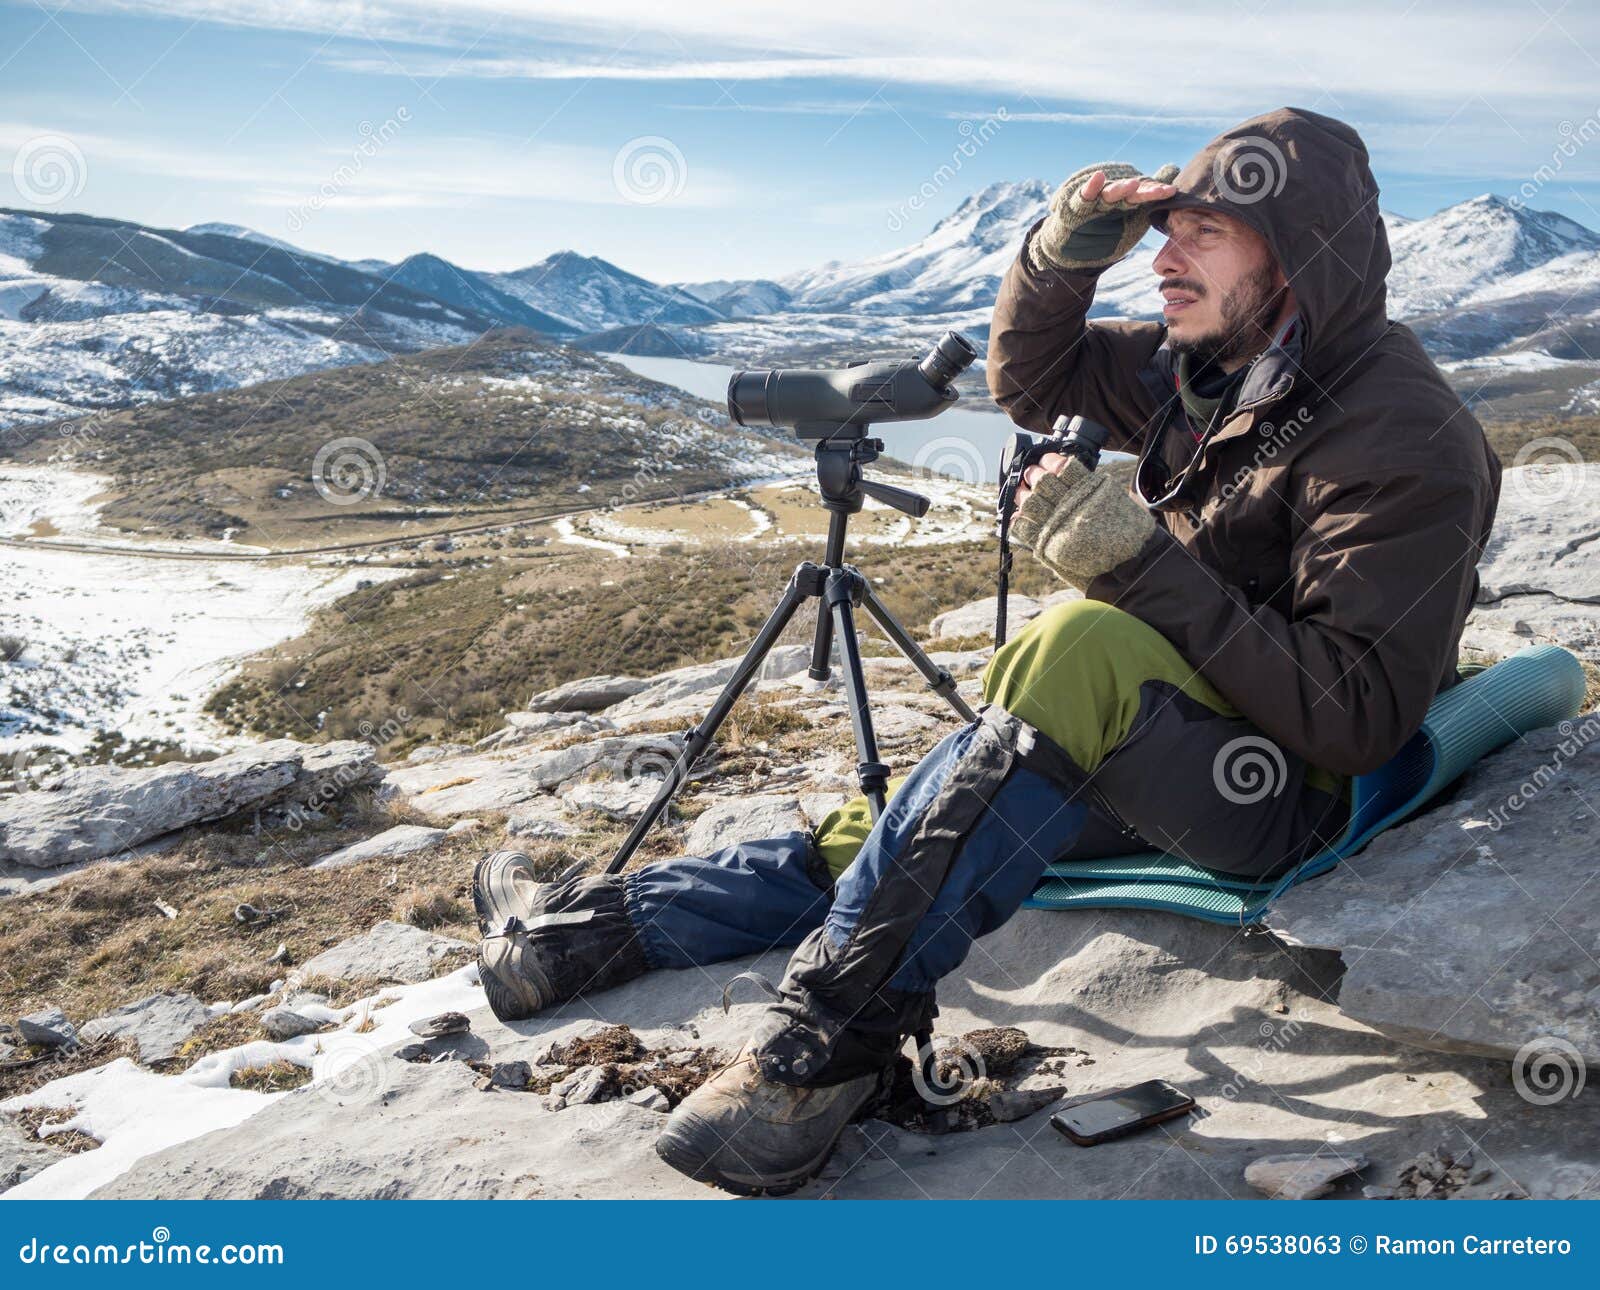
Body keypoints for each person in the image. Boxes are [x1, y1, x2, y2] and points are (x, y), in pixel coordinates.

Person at [473, 107, 1501, 1196]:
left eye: (1203, 232)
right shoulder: (1206, 364)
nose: (1165, 256)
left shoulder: (1404, 435)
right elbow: (1036, 377)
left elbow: (1354, 717)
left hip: (1280, 787)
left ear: (1296, 258)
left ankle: (816, 1063)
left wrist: (1135, 566)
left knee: (1079, 647)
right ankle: (575, 942)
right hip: (1175, 736)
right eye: (1163, 231)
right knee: (919, 823)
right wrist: (1060, 259)